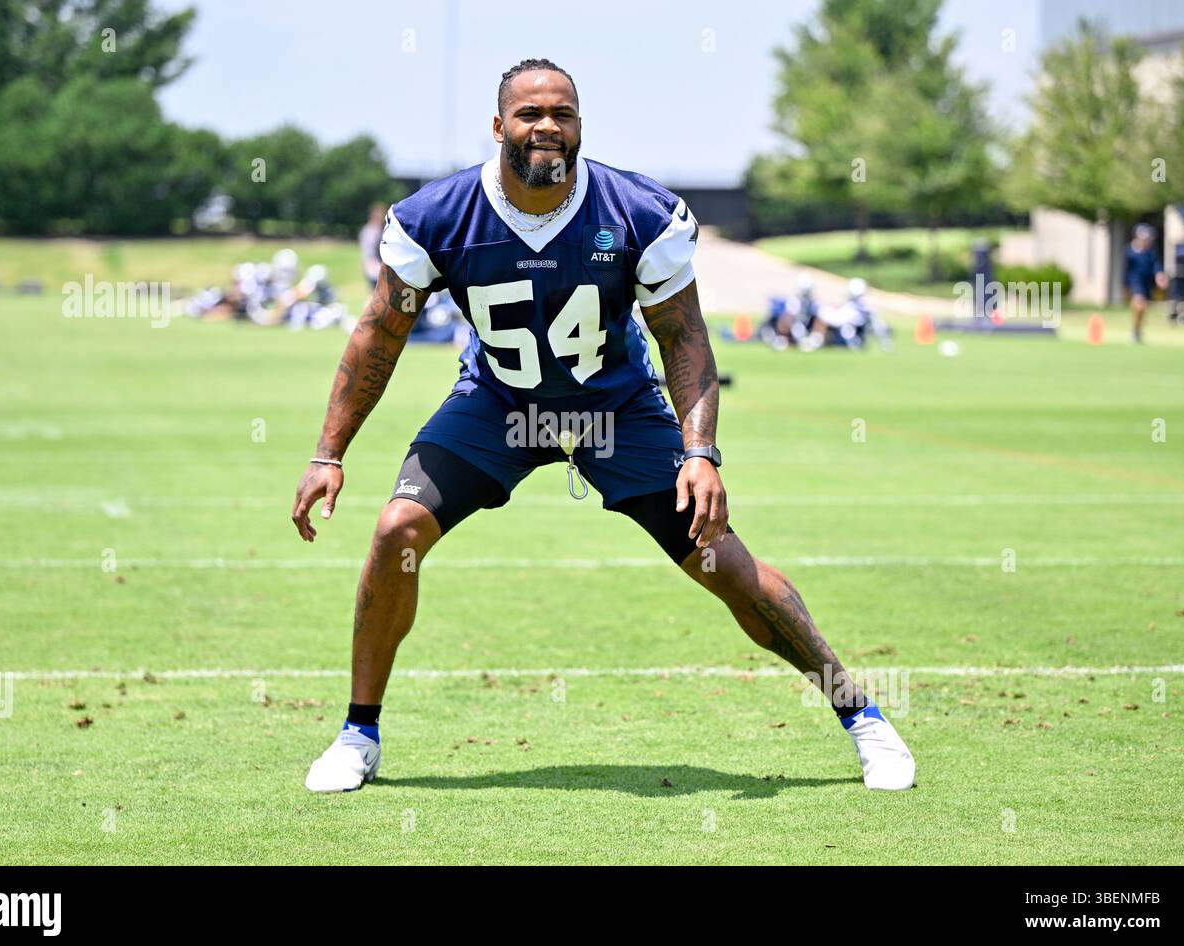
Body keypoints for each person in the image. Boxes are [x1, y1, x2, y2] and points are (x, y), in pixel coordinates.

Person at [291, 58, 915, 794]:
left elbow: (683, 339)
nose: (547, 126)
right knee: (397, 529)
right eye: (529, 114)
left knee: (727, 567)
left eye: (564, 113)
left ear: (581, 125)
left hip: (613, 409)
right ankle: (358, 732)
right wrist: (329, 452)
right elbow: (378, 336)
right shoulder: (438, 217)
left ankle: (863, 716)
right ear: (499, 127)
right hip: (501, 403)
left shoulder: (636, 212)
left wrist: (700, 452)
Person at [1125, 224, 1168, 344]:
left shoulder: (1151, 252)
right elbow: (1125, 270)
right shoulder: (1129, 251)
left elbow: (1157, 266)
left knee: (1142, 308)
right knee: (1139, 304)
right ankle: (1135, 330)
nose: (1147, 241)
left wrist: (1160, 275)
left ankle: (1136, 330)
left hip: (1146, 284)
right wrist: (1125, 286)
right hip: (1135, 282)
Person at [358, 202, 386, 288]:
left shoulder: (381, 229)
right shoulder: (368, 231)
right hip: (373, 267)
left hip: (379, 267)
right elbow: (369, 252)